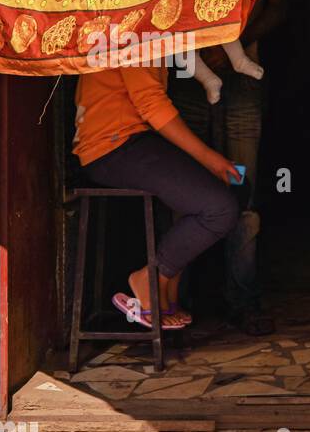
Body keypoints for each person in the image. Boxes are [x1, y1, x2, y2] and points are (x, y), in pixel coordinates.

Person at [168, 0, 292, 335]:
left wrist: (235, 39)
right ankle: (175, 300)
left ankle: (242, 299)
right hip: (186, 74)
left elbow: (279, 5)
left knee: (243, 191)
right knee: (181, 191)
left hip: (241, 75)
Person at [73, 63, 241, 330]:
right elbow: (150, 103)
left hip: (130, 140)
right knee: (220, 208)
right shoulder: (132, 28)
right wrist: (209, 158)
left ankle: (167, 282)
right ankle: (151, 277)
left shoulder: (142, 28)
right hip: (115, 144)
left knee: (222, 188)